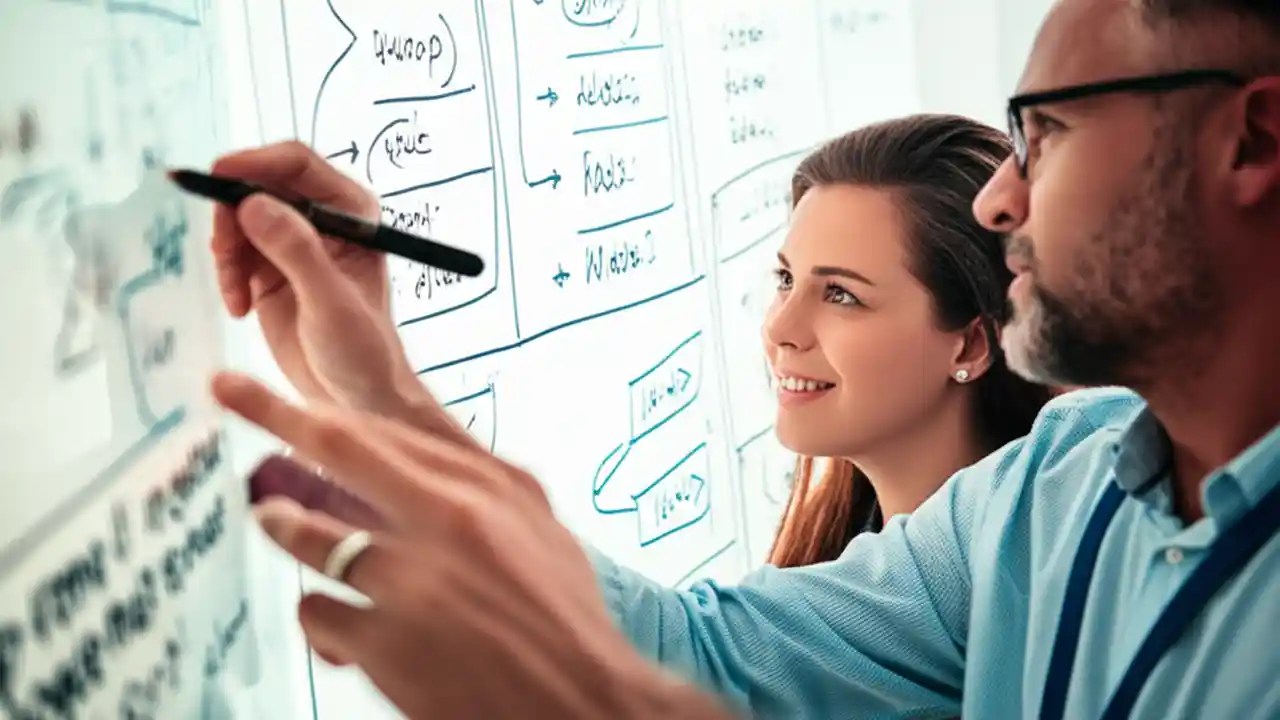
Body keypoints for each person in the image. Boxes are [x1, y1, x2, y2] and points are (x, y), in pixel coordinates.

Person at [208, 0, 1280, 716]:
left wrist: (589, 701)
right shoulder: (1050, 487)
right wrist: (375, 388)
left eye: (1045, 134)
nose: (1003, 202)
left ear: (1250, 141)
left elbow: (641, 676)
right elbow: (700, 652)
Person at [760, 115, 1050, 567]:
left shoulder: (1013, 588)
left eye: (841, 294)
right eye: (785, 279)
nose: (780, 329)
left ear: (972, 345)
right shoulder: (846, 541)